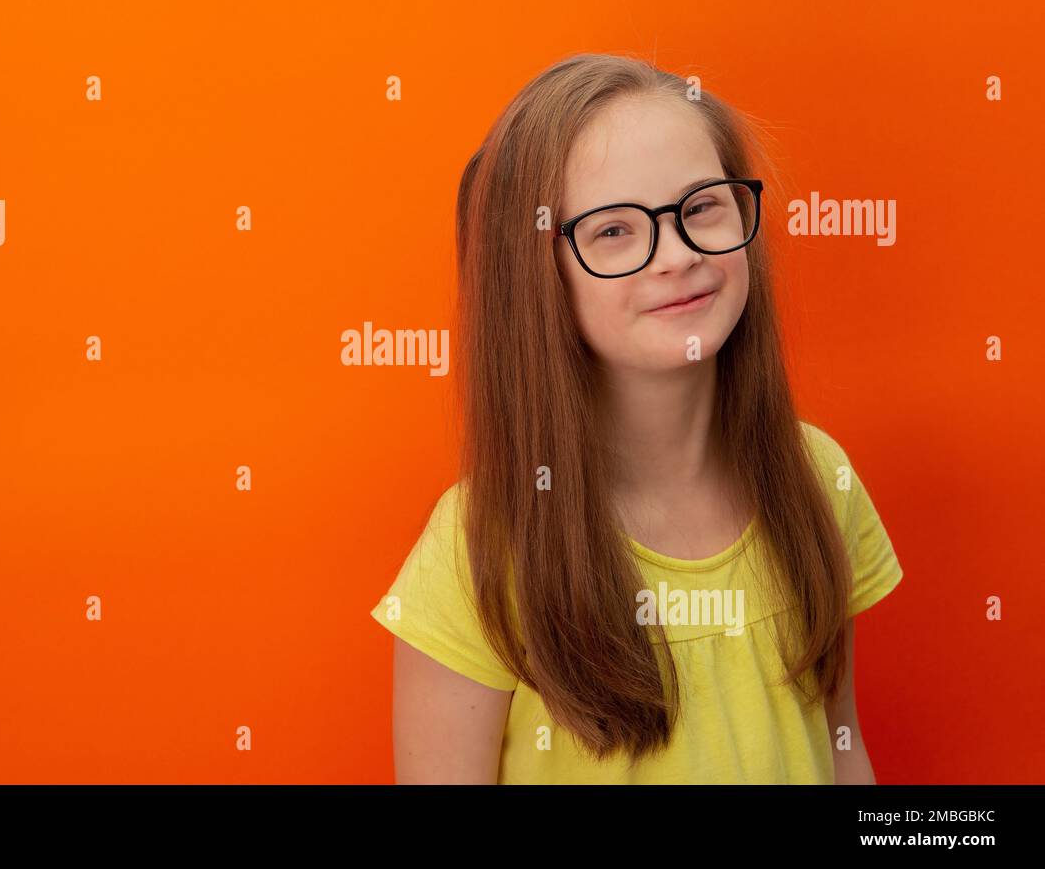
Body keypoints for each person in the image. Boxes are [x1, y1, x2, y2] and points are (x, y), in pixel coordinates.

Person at [369, 53, 903, 784]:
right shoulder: (479, 549)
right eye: (613, 231)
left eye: (701, 207)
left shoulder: (818, 478)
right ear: (537, 276)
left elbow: (842, 747)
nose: (678, 255)